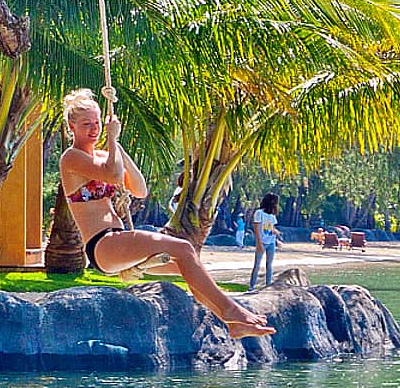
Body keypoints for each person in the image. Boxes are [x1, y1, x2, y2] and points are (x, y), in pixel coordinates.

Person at [58, 89, 274, 338]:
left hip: (118, 241)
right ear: (71, 127)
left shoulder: (106, 156)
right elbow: (114, 176)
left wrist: (115, 145)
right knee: (183, 248)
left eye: (97, 123)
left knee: (187, 263)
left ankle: (231, 323)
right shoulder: (70, 158)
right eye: (87, 124)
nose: (94, 129)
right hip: (102, 245)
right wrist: (113, 141)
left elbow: (139, 189)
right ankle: (234, 311)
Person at [250, 193, 282, 290]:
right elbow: (256, 229)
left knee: (269, 265)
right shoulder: (259, 213)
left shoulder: (272, 216)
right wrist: (259, 243)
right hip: (262, 242)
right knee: (257, 265)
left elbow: (272, 228)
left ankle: (268, 286)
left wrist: (277, 235)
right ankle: (252, 286)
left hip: (271, 242)